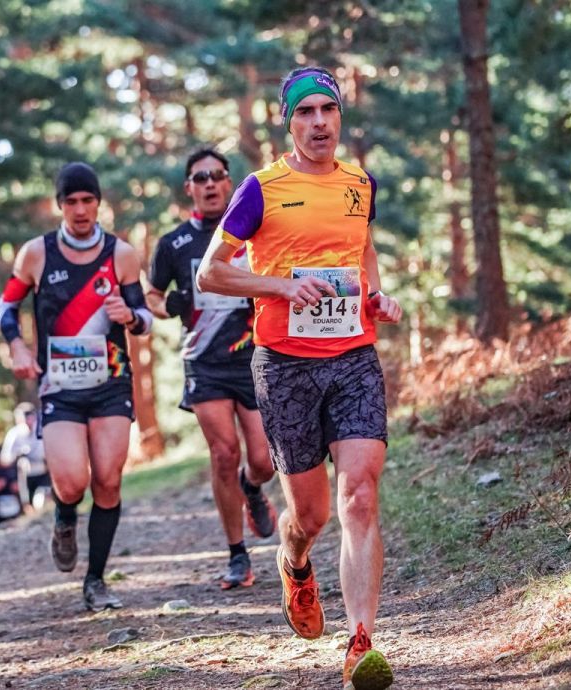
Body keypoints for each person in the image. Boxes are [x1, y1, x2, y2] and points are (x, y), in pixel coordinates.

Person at [196, 67, 402, 690]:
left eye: (328, 110)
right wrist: (282, 286)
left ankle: (360, 642)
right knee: (309, 515)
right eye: (306, 112)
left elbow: (362, 248)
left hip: (352, 356)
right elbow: (211, 273)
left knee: (360, 496)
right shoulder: (262, 188)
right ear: (289, 121)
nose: (319, 122)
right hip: (284, 364)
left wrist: (374, 294)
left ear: (340, 116)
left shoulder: (360, 183)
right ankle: (294, 561)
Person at [0, 161, 154, 611]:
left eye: (88, 201)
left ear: (98, 203)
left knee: (107, 480)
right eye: (71, 201)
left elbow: (143, 319)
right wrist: (18, 348)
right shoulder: (36, 254)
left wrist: (130, 316)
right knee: (70, 482)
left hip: (111, 383)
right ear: (59, 204)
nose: (80, 210)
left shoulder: (120, 254)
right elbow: (4, 308)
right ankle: (65, 518)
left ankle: (96, 580)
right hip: (60, 387)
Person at [147, 148, 280, 591]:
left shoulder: (252, 233)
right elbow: (150, 298)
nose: (209, 184)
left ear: (229, 183)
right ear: (189, 188)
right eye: (199, 177)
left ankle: (252, 487)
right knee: (224, 453)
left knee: (262, 461)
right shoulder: (174, 244)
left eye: (217, 176)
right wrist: (168, 304)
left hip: (254, 356)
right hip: (203, 362)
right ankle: (237, 555)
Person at [0, 402, 51, 510]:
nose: (28, 421)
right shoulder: (14, 434)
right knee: (29, 505)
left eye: (30, 417)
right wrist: (19, 455)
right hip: (25, 475)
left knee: (42, 501)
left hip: (45, 472)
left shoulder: (43, 431)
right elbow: (4, 459)